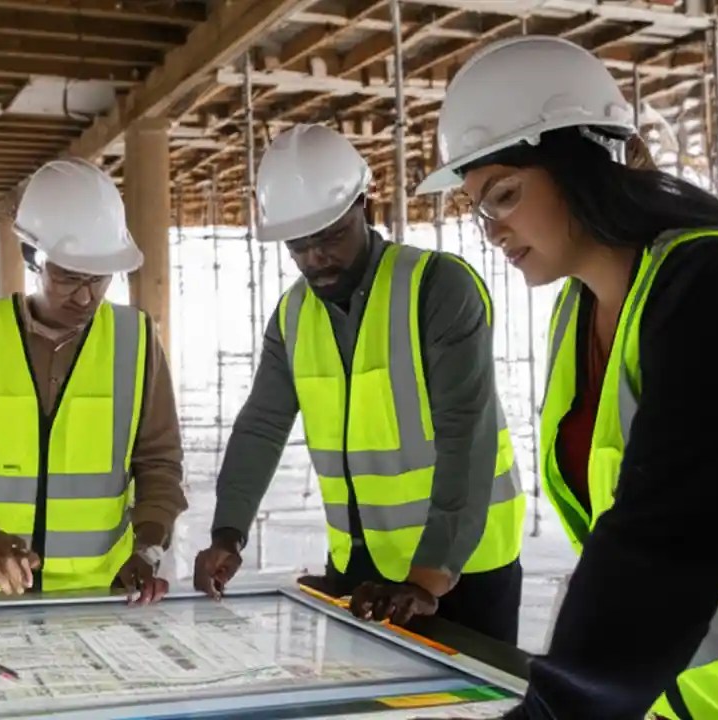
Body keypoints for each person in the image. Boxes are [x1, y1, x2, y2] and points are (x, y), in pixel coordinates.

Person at [414, 35, 718, 719]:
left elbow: (665, 537)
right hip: (683, 704)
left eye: (504, 194)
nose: (492, 229)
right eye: (478, 208)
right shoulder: (577, 314)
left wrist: (557, 707)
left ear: (587, 162)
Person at [192, 124, 526, 644]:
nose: (314, 259)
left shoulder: (437, 288)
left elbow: (468, 433)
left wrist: (430, 577)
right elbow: (261, 426)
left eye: (329, 237)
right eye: (297, 246)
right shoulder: (293, 316)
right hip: (360, 566)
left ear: (364, 208)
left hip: (463, 568)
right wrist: (227, 534)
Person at [0, 158, 187, 605]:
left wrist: (147, 550)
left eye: (99, 278)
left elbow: (159, 465)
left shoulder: (136, 342)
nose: (85, 296)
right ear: (32, 257)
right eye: (68, 277)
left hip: (100, 594)